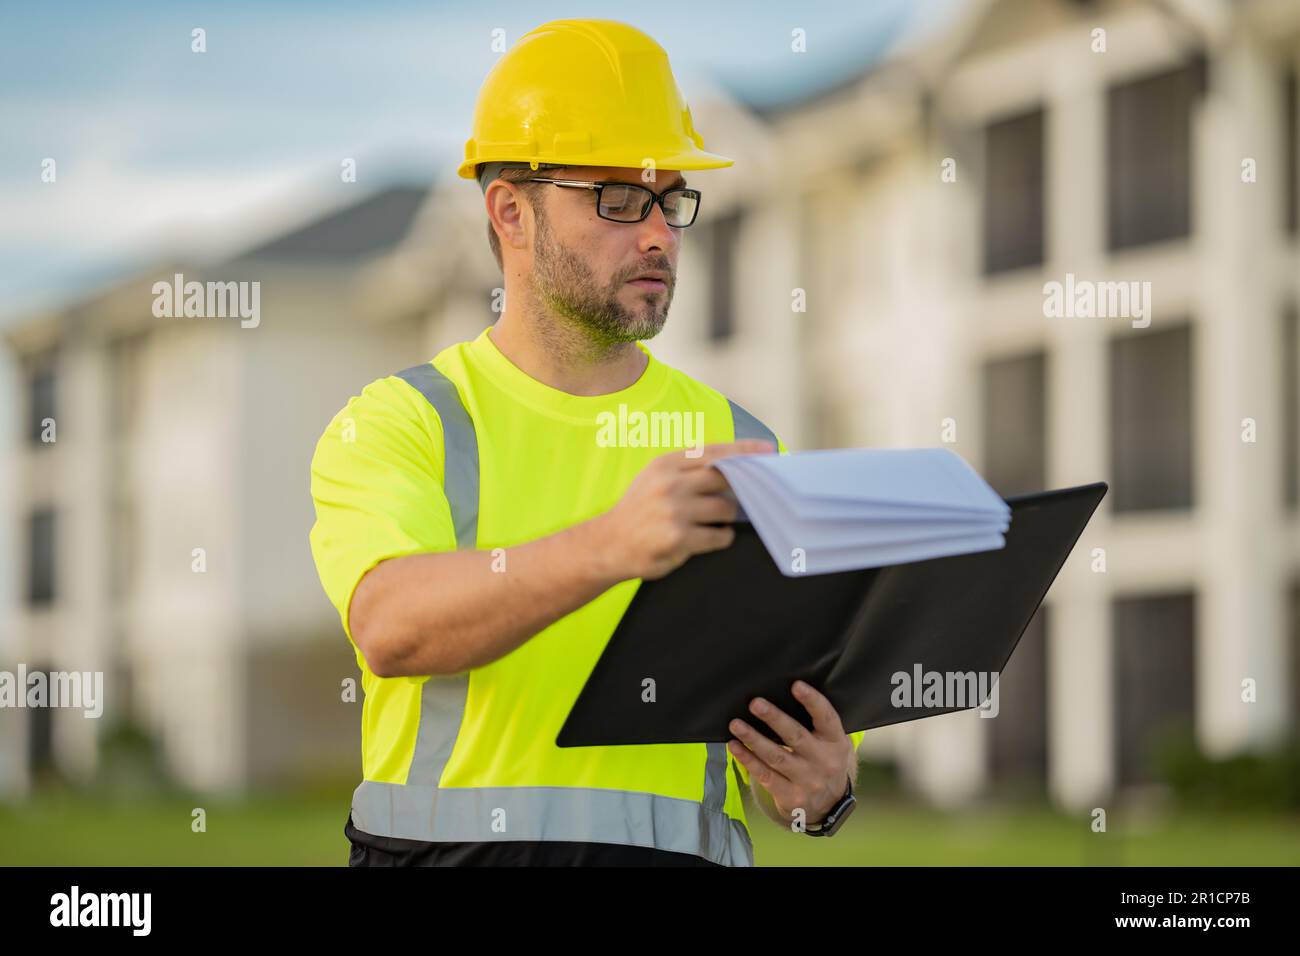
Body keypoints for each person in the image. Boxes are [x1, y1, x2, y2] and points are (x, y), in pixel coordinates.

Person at [309, 18, 863, 867]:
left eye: (670, 198)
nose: (658, 234)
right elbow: (390, 626)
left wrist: (817, 792)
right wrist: (611, 544)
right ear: (510, 214)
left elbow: (767, 734)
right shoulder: (402, 421)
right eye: (616, 197)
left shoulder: (741, 442)